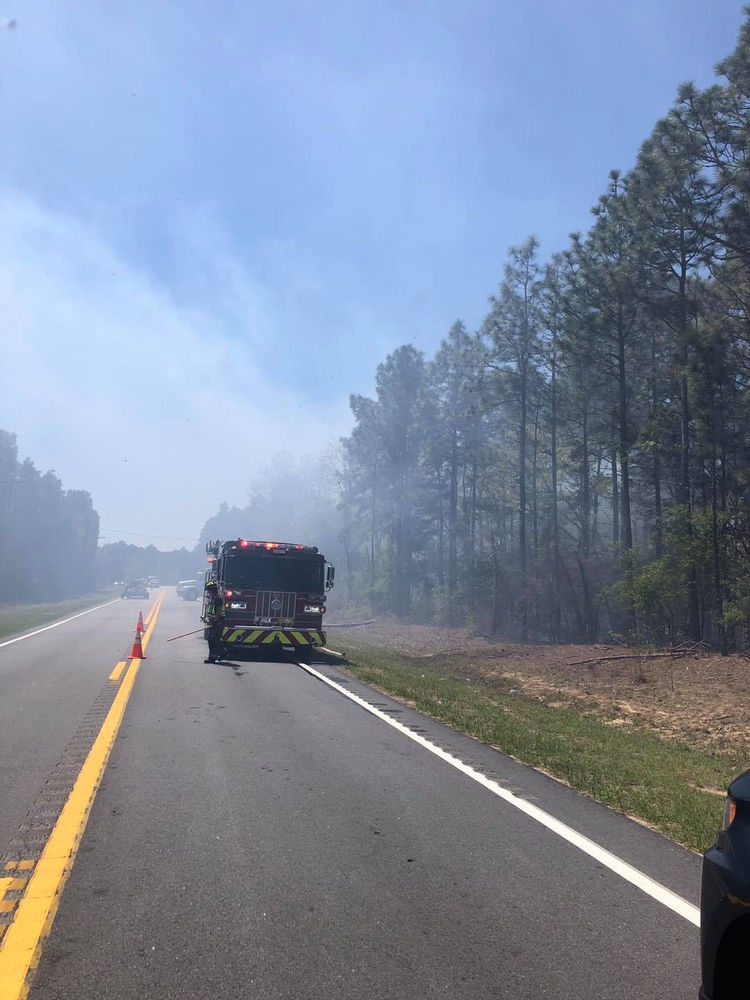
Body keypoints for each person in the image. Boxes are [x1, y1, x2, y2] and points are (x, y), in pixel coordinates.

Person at [203, 581, 226, 664]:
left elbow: (219, 612)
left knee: (214, 639)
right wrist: (206, 619)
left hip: (218, 622)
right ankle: (215, 656)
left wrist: (215, 621)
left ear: (212, 590)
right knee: (212, 639)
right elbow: (210, 611)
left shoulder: (218, 599)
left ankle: (217, 655)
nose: (208, 592)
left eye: (208, 591)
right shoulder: (212, 598)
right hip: (213, 622)